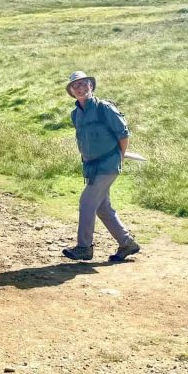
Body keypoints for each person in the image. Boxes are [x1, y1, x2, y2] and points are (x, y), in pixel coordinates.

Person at [62, 71, 140, 262]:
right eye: (76, 86)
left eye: (84, 84)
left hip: (108, 164)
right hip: (91, 166)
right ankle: (127, 243)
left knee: (86, 203)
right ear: (72, 91)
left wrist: (120, 157)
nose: (80, 88)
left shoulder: (104, 108)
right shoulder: (75, 114)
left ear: (91, 86)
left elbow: (123, 134)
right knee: (102, 208)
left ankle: (84, 248)